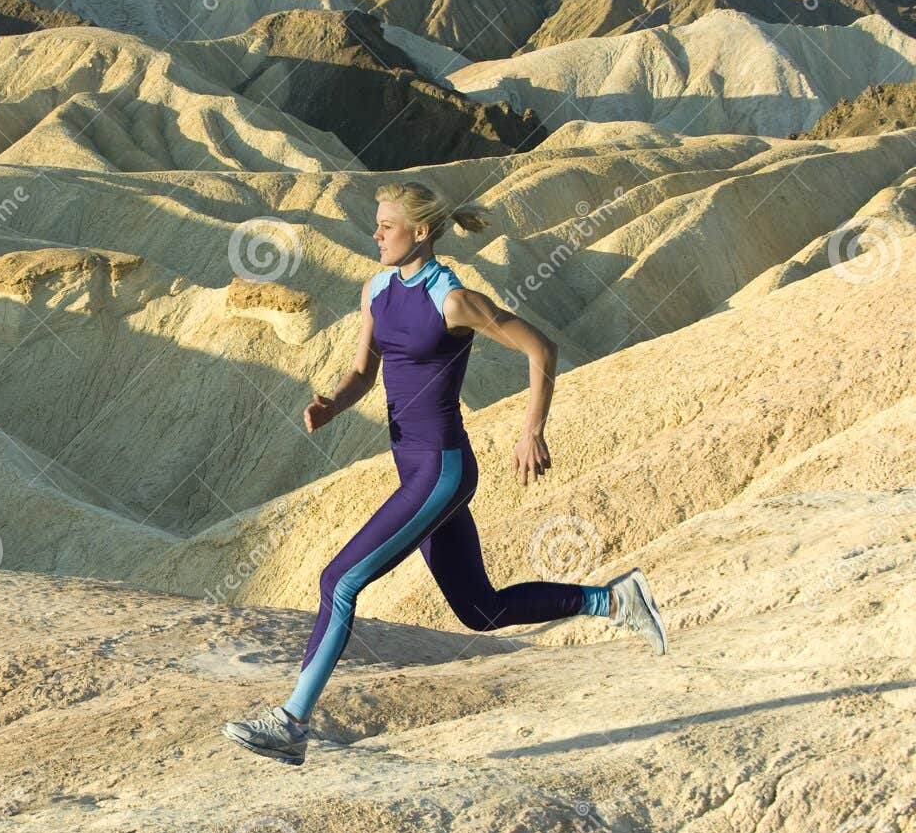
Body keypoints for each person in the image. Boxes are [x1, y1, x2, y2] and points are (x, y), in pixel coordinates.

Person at [223, 180, 667, 766]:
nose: (376, 234)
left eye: (387, 225)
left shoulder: (452, 299)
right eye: (377, 224)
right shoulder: (377, 290)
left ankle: (292, 723)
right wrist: (331, 403)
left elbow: (543, 350)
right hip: (415, 472)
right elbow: (364, 371)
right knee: (479, 609)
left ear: (422, 232)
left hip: (441, 473)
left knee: (340, 581)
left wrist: (532, 428)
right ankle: (613, 602)